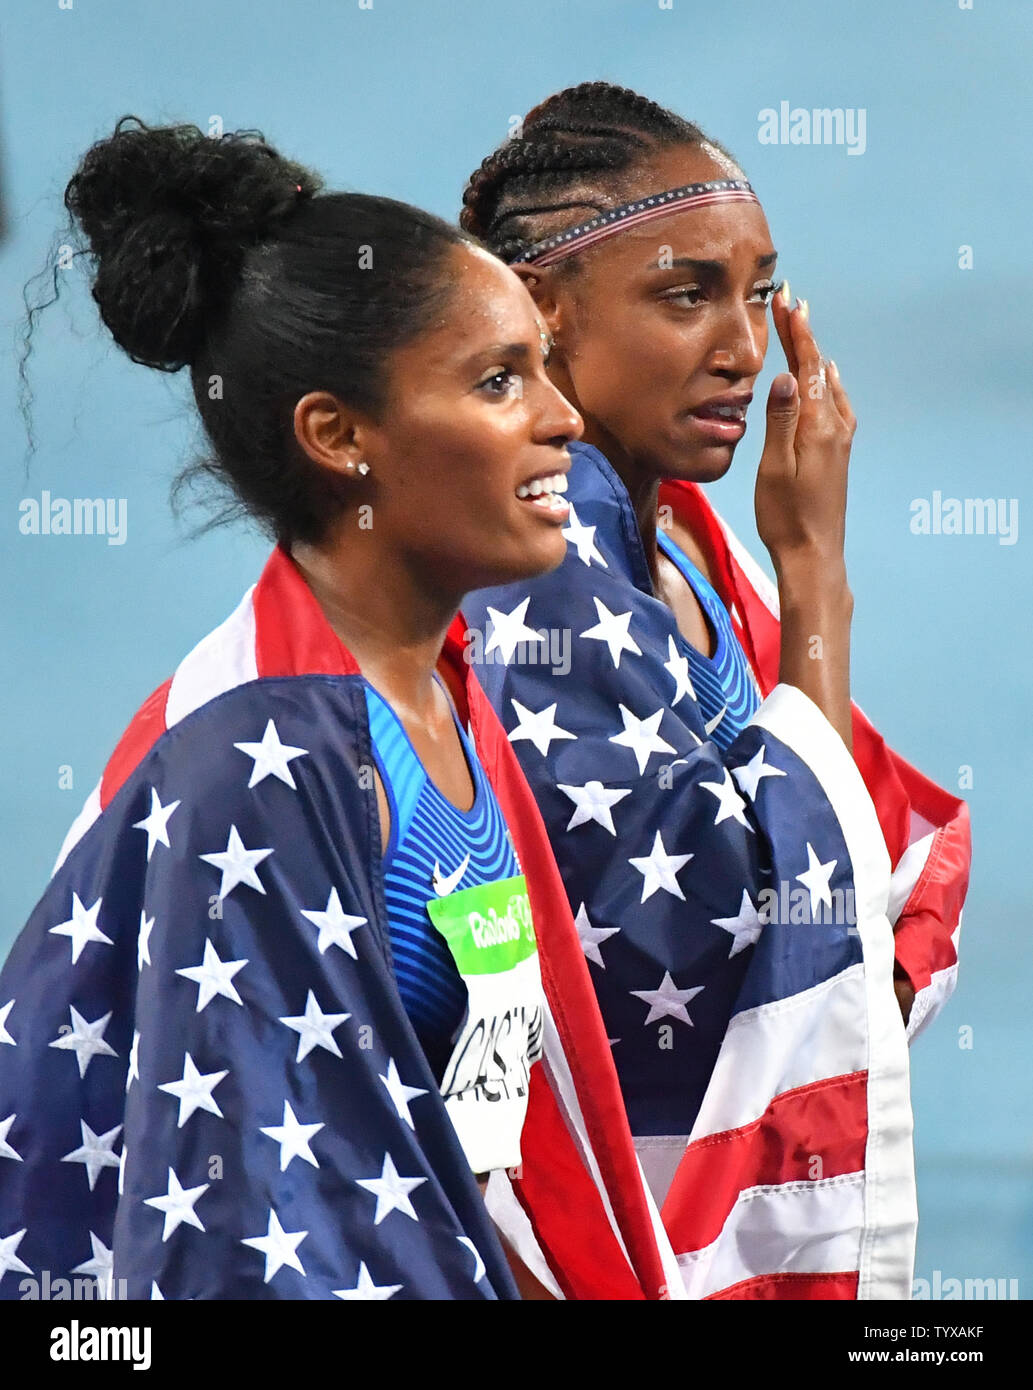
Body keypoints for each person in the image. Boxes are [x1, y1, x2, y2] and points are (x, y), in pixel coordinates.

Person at [0, 117, 675, 1301]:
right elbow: (233, 1243)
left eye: (545, 371)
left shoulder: (451, 697)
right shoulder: (259, 762)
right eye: (499, 380)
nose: (563, 419)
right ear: (338, 437)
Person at [457, 81, 971, 1299]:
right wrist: (816, 581)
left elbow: (843, 875)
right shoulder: (538, 572)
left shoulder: (679, 545)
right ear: (539, 310)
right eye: (684, 294)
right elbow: (740, 948)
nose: (741, 347)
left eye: (757, 290)